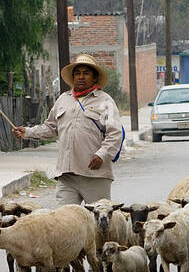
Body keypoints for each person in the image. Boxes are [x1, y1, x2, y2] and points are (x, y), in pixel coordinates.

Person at [13, 53, 122, 205]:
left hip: (95, 175)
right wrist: (28, 132)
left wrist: (102, 154)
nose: (81, 77)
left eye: (86, 73)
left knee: (99, 223)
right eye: (77, 73)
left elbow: (115, 133)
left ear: (95, 78)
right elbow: (50, 127)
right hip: (67, 176)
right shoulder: (63, 99)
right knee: (64, 222)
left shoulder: (105, 101)